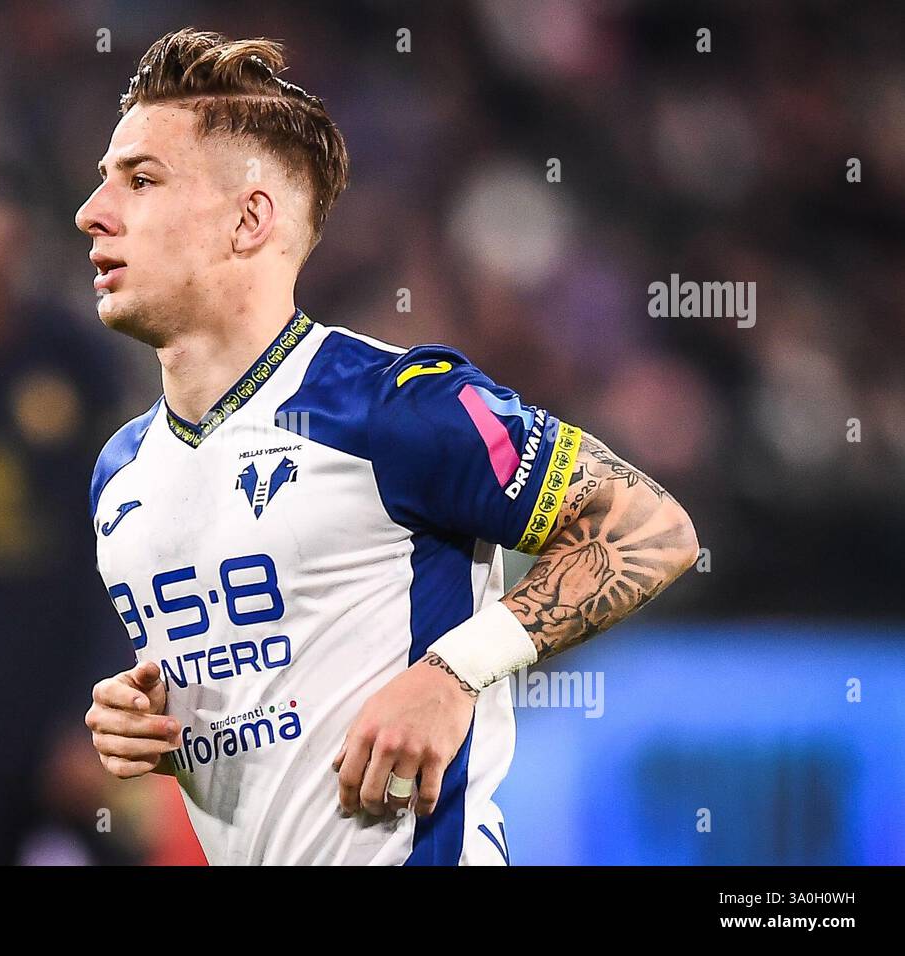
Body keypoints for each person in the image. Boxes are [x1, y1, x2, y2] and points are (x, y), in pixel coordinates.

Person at [76, 28, 697, 865]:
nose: (91, 212)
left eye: (140, 179)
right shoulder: (120, 476)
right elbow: (265, 684)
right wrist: (142, 719)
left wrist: (455, 673)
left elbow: (650, 530)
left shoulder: (395, 405)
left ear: (250, 218)